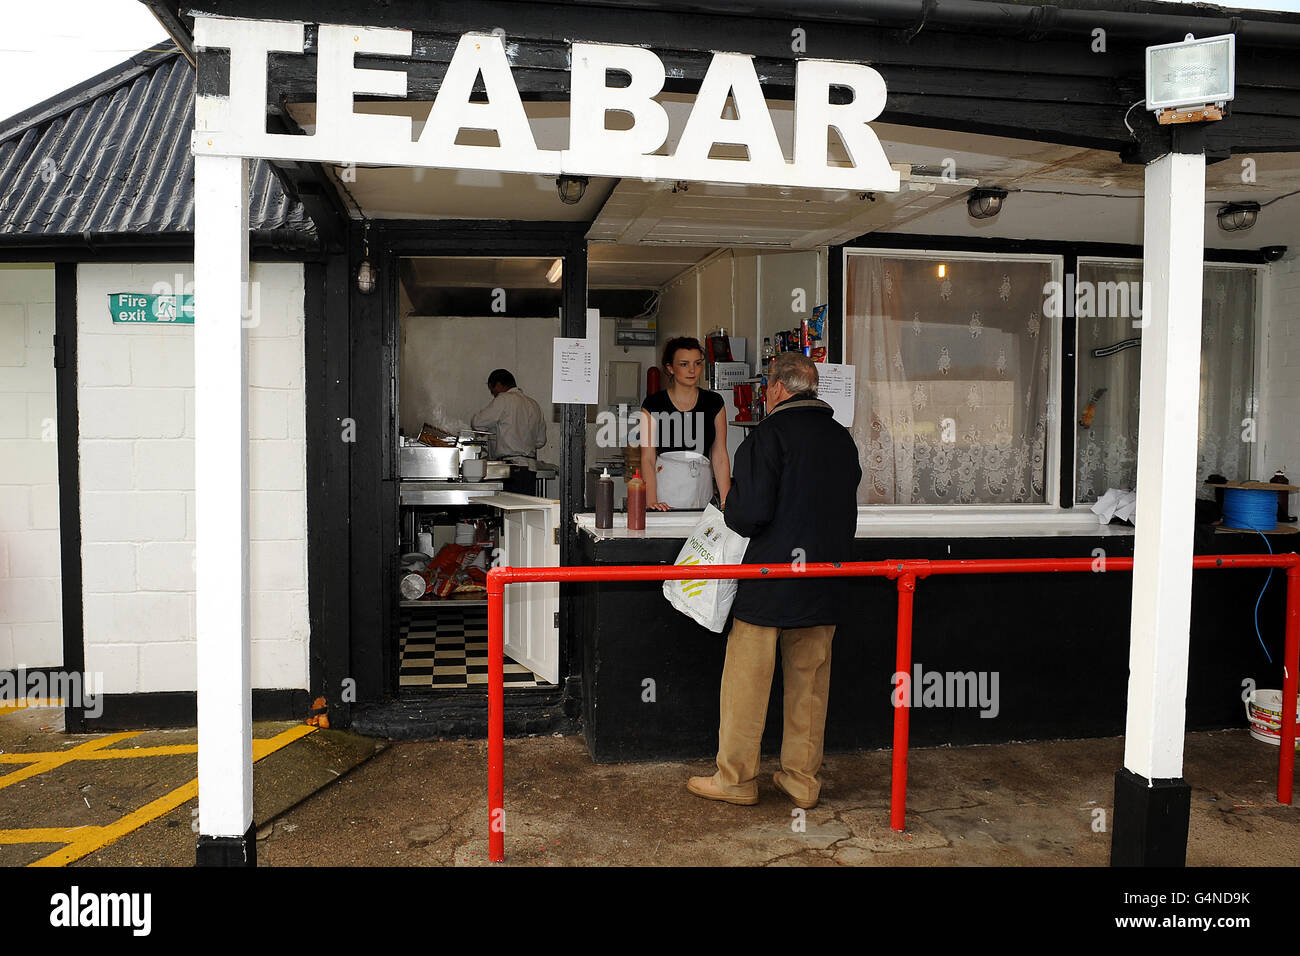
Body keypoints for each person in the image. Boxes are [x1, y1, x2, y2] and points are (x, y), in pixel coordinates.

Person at [686, 352, 861, 810]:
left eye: (766, 388)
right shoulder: (842, 440)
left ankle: (737, 780)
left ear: (778, 390)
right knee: (810, 684)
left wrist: (730, 505)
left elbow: (749, 515)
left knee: (747, 681)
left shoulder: (768, 436)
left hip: (771, 578)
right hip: (826, 578)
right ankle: (802, 781)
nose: (765, 395)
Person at [638, 337, 731, 510]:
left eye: (697, 363)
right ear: (670, 368)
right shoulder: (653, 404)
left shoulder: (714, 402)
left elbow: (719, 456)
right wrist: (651, 502)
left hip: (702, 491)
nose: (692, 370)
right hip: (664, 493)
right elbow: (648, 458)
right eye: (684, 364)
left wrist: (726, 500)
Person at [470, 369, 546, 494]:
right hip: (530, 470)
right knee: (525, 510)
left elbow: (477, 423)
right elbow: (540, 441)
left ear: (499, 385)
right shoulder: (534, 404)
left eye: (492, 390)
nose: (493, 394)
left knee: (510, 511)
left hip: (511, 469)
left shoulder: (504, 399)